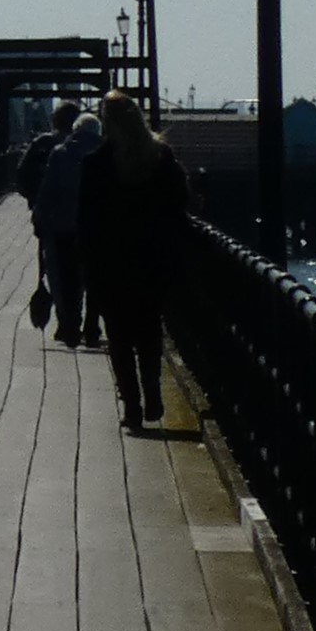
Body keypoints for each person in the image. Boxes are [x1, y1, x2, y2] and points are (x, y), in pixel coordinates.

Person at [79, 89, 192, 431]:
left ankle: (132, 405)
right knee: (149, 330)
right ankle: (153, 391)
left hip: (111, 262)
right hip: (153, 259)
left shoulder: (96, 164)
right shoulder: (160, 157)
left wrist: (87, 267)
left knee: (119, 337)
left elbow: (87, 221)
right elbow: (181, 203)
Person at [32, 109, 102, 347]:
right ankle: (92, 327)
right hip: (96, 228)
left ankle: (70, 324)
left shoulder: (60, 153)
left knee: (67, 277)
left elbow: (47, 189)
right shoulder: (105, 153)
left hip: (63, 226)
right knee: (94, 278)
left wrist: (39, 217)